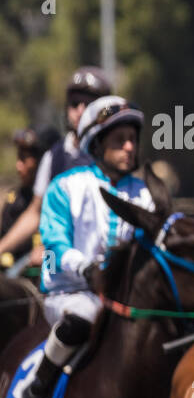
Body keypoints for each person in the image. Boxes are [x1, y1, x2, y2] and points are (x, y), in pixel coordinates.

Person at [21, 96, 152, 398]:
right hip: (70, 293)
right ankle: (37, 391)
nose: (129, 147)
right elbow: (54, 244)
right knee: (86, 316)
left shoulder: (144, 193)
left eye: (132, 139)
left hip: (125, 299)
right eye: (119, 139)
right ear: (97, 143)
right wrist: (89, 270)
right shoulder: (65, 187)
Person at [0, 67, 112, 262]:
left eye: (89, 104)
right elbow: (35, 213)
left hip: (101, 262)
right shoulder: (55, 156)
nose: (80, 110)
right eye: (74, 103)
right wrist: (2, 248)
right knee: (30, 282)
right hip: (57, 262)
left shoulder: (111, 157)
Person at [2, 129, 47, 271]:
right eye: (18, 158)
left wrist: (48, 256)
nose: (18, 166)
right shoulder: (15, 199)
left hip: (48, 280)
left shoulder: (58, 199)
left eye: (24, 159)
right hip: (16, 276)